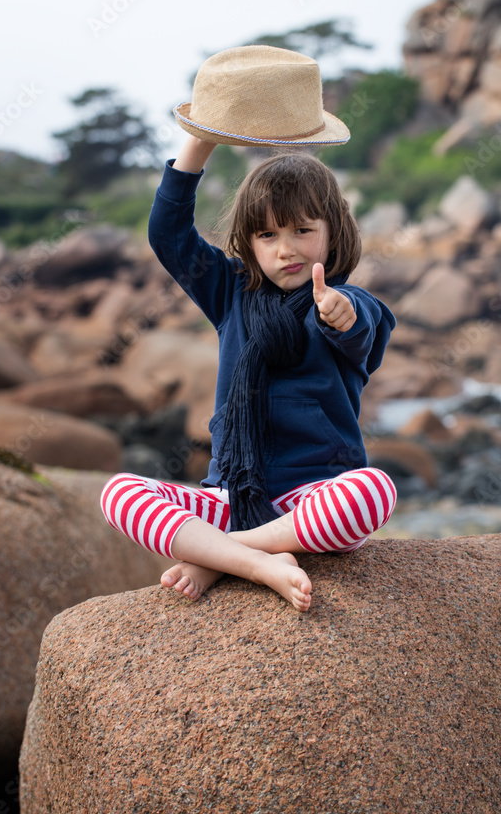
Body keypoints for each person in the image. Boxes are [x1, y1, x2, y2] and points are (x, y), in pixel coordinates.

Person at [100, 45, 397, 612]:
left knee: (374, 491)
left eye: (303, 231)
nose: (285, 249)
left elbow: (360, 332)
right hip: (233, 491)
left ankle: (223, 554)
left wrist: (340, 314)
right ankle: (255, 559)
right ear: (248, 243)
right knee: (119, 492)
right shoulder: (232, 293)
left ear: (333, 232)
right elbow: (169, 234)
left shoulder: (350, 301)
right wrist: (202, 135)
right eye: (267, 236)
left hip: (316, 496)